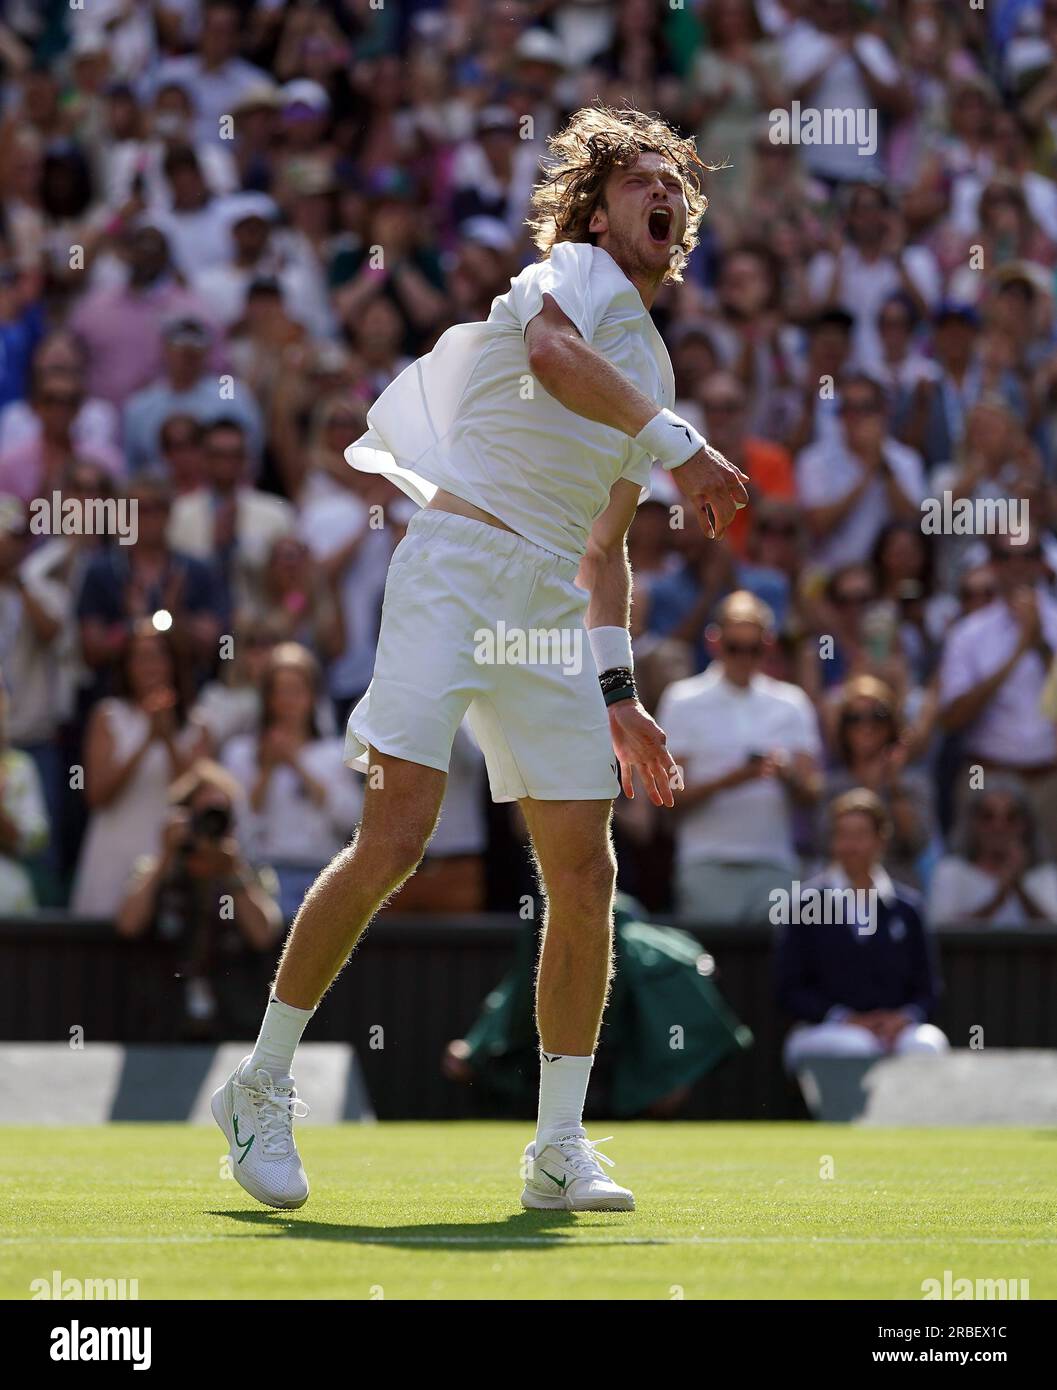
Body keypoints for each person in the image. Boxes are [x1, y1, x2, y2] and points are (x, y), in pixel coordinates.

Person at [210, 104, 749, 1214]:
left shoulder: (650, 365)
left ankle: (558, 1144)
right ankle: (261, 1085)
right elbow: (551, 358)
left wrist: (621, 693)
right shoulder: (576, 275)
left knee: (585, 872)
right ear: (599, 208)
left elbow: (606, 552)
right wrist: (681, 446)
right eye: (642, 177)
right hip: (457, 567)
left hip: (552, 601)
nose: (664, 193)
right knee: (396, 836)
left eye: (675, 184)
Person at [657, 590, 823, 923]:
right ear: (714, 642)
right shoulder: (682, 701)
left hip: (774, 864)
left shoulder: (793, 704)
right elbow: (668, 796)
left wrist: (785, 774)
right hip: (706, 862)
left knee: (774, 973)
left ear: (768, 644)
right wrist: (732, 779)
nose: (744, 657)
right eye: (735, 647)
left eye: (754, 648)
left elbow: (813, 791)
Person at [775, 789, 948, 1075]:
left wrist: (901, 1018)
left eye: (859, 835)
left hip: (894, 1032)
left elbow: (928, 989)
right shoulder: (804, 904)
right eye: (842, 835)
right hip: (821, 1031)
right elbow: (788, 989)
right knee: (856, 1047)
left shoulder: (909, 908)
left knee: (927, 1045)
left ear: (881, 840)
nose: (849, 846)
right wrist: (845, 1019)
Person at [116, 758, 283, 1034]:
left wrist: (233, 872)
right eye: (202, 814)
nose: (210, 825)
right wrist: (167, 856)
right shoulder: (156, 869)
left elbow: (264, 934)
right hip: (162, 1020)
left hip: (234, 1020)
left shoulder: (247, 871)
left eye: (219, 814)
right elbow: (128, 924)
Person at [71, 620, 207, 918]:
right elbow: (97, 795)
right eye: (140, 657)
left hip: (169, 856)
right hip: (113, 853)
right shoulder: (107, 715)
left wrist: (169, 738)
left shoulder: (198, 726)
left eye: (158, 656)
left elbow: (198, 797)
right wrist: (147, 739)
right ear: (127, 666)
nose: (150, 666)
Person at [221, 643, 362, 922]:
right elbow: (238, 821)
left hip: (322, 877)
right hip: (263, 878)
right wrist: (267, 769)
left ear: (312, 697)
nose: (288, 701)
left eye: (297, 690)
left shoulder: (335, 753)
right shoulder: (241, 752)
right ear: (268, 698)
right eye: (280, 691)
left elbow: (351, 819)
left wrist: (298, 766)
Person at [927, 778, 1057, 927]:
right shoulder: (951, 871)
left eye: (1011, 817)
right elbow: (941, 932)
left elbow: (1053, 932)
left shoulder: (1045, 875)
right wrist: (999, 897)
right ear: (973, 823)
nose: (999, 826)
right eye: (987, 816)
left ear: (1025, 824)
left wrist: (1019, 888)